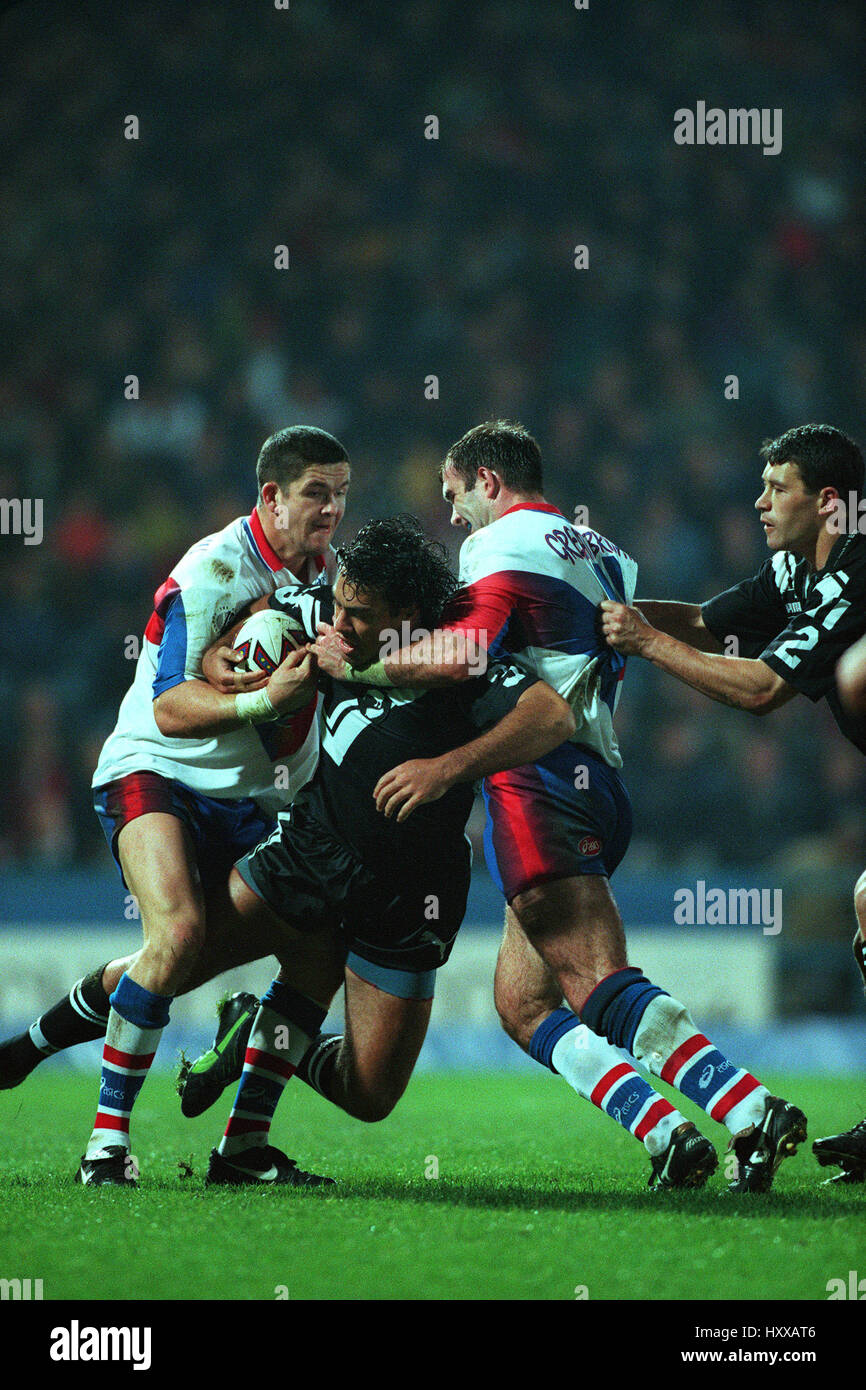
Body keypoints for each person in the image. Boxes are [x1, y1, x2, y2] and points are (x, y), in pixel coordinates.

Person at [311, 420, 805, 1192]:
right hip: (600, 784)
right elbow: (652, 623)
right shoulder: (603, 552)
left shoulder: (498, 545)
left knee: (598, 981)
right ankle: (667, 1132)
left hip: (539, 777)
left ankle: (750, 1110)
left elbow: (467, 652)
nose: (453, 519)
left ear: (489, 483)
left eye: (455, 497)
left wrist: (369, 668)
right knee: (522, 1001)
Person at [0, 425, 351, 1180]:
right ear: (272, 496)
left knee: (318, 944)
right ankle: (106, 1149)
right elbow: (170, 708)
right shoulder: (212, 570)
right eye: (317, 493)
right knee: (181, 930)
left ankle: (242, 1147)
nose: (332, 510)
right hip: (154, 771)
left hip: (249, 797)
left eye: (341, 495)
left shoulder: (334, 577)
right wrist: (264, 700)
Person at [187, 515, 577, 1186]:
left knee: (369, 1095)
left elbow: (552, 716)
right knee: (168, 959)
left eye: (359, 613)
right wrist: (219, 656)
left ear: (408, 615)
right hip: (311, 852)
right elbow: (242, 624)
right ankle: (64, 1090)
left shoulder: (458, 658)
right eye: (336, 601)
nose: (338, 621)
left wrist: (448, 769)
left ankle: (253, 1039)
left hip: (408, 897)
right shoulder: (320, 613)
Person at [599, 422, 866, 1184]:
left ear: (827, 501)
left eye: (776, 488)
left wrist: (644, 645)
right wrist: (589, 608)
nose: (758, 502)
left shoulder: (856, 571)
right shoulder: (794, 572)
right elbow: (703, 622)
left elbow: (762, 689)